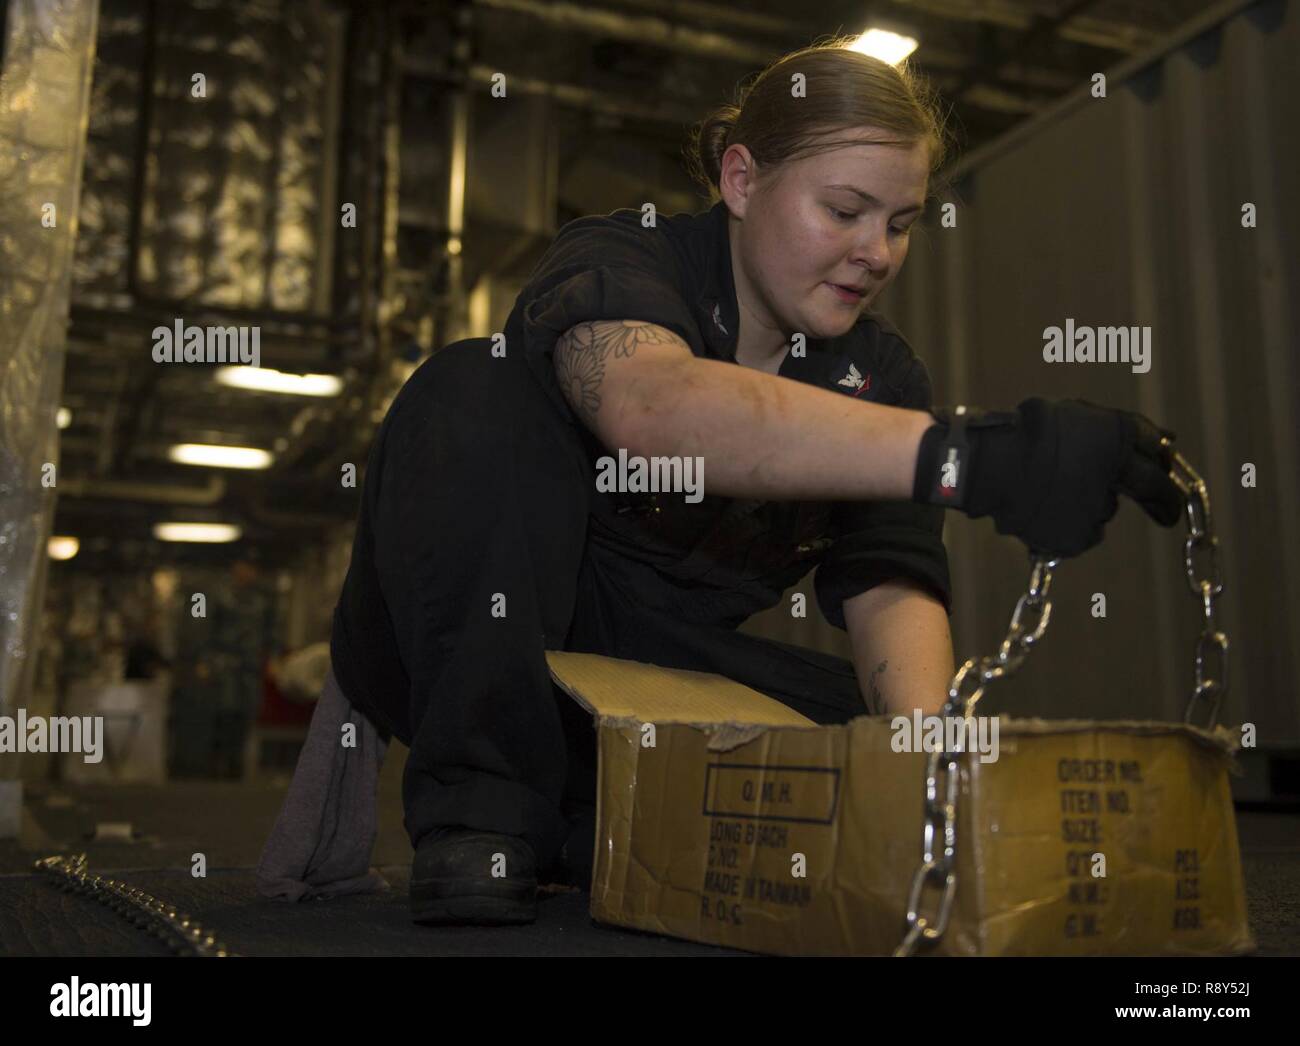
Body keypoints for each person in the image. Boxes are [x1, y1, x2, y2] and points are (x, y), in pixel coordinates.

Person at [327, 40, 1182, 926]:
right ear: (740, 181)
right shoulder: (628, 257)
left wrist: (932, 774)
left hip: (649, 679)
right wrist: (972, 460)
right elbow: (653, 409)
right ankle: (485, 813)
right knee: (470, 381)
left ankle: (594, 828)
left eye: (901, 221)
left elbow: (889, 584)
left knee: (856, 745)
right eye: (845, 210)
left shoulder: (881, 374)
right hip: (492, 644)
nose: (878, 252)